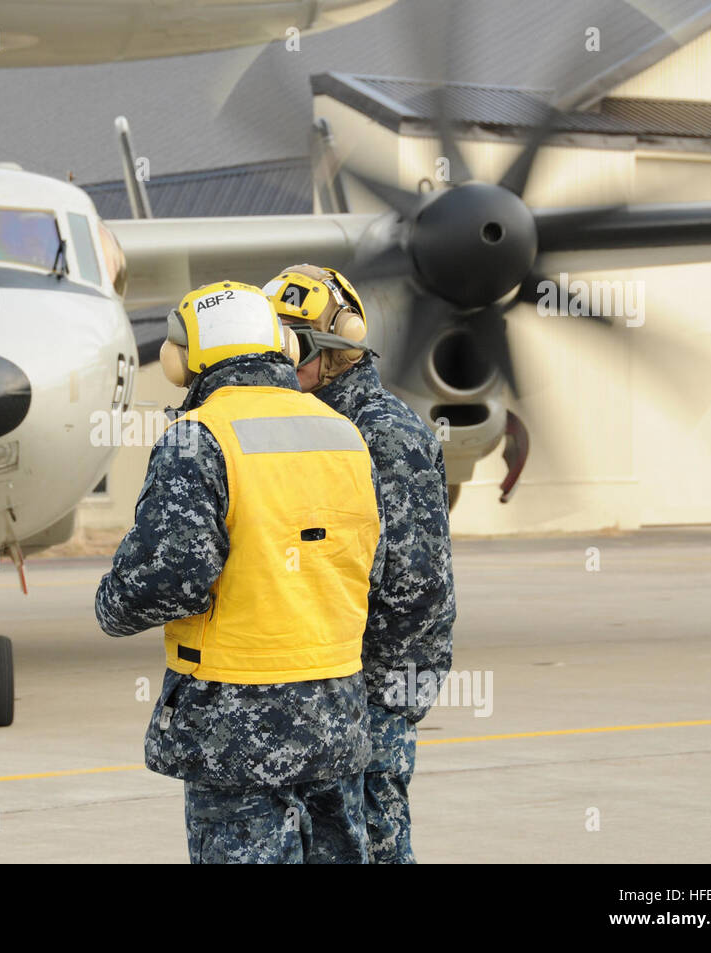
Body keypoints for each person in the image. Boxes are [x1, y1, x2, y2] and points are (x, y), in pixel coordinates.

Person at [94, 279, 384, 864]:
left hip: (237, 717)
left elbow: (169, 578)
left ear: (186, 359)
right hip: (337, 707)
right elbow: (367, 564)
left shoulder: (198, 440)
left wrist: (109, 603)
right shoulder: (345, 435)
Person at [264, 263, 456, 864]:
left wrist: (374, 703)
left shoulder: (384, 436)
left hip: (369, 699)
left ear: (334, 353)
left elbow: (416, 589)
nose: (275, 370)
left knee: (374, 845)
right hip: (317, 697)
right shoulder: (301, 426)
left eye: (289, 351)